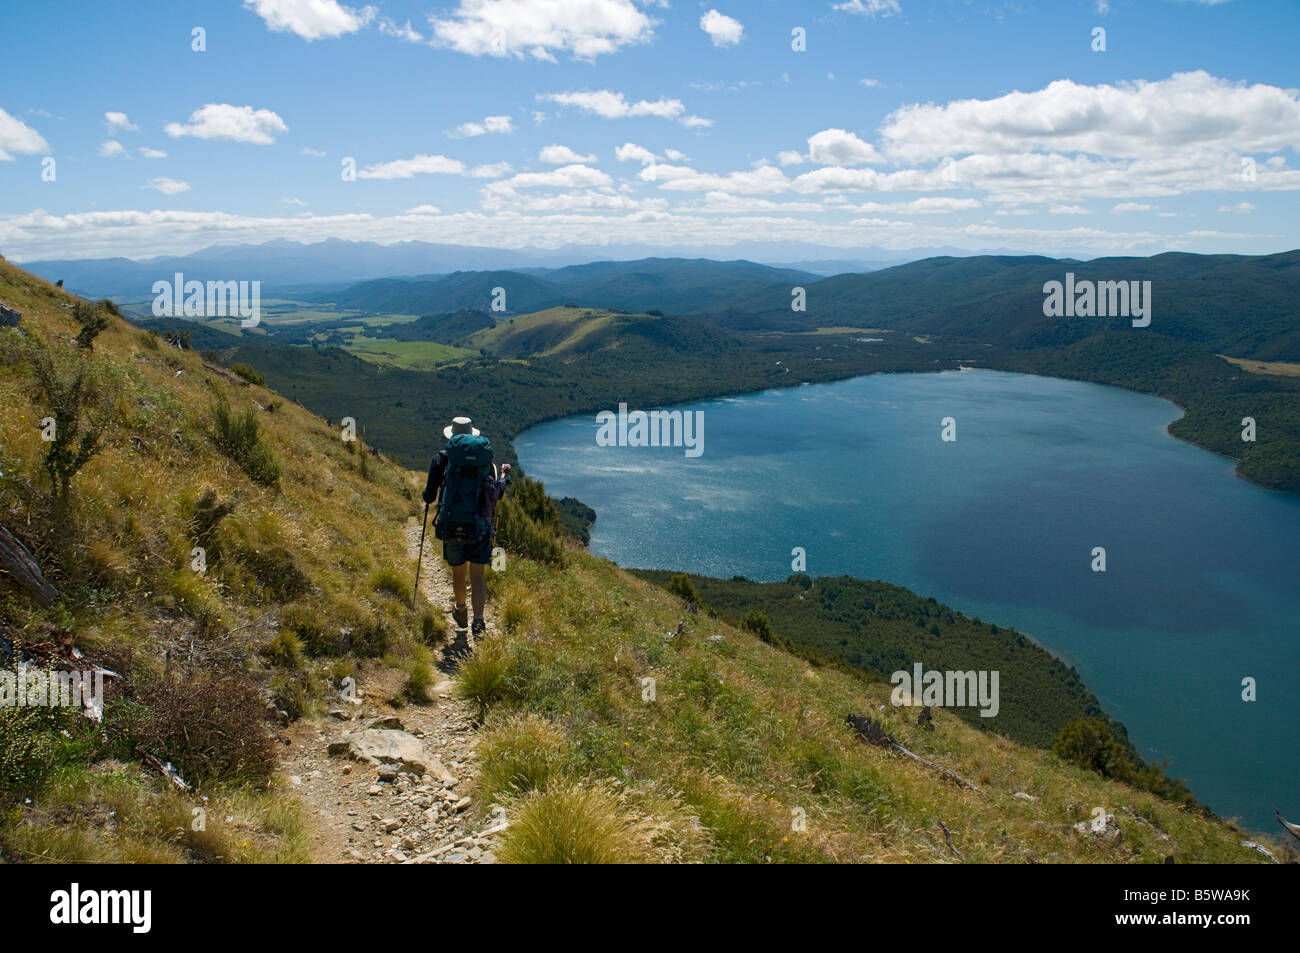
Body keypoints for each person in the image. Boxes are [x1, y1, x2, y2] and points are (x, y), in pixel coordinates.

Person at [422, 417, 510, 636]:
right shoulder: (485, 463)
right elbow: (494, 494)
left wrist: (429, 497)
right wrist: (504, 477)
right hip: (479, 526)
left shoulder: (441, 459)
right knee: (477, 575)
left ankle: (461, 609)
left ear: (450, 437)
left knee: (459, 572)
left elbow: (429, 495)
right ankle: (479, 620)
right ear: (473, 435)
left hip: (452, 524)